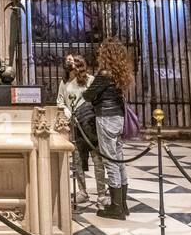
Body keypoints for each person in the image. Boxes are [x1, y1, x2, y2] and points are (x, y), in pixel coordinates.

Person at [81, 40, 134, 220]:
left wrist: (90, 95)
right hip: (118, 118)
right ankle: (123, 204)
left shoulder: (104, 74)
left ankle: (116, 207)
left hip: (105, 117)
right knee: (119, 160)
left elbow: (87, 95)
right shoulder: (120, 74)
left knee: (110, 161)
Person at [56, 54, 105, 208]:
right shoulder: (64, 82)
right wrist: (65, 109)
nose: (68, 62)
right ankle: (83, 191)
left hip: (90, 124)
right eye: (67, 60)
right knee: (77, 160)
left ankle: (102, 194)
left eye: (71, 60)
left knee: (97, 159)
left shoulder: (89, 80)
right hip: (75, 125)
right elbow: (59, 101)